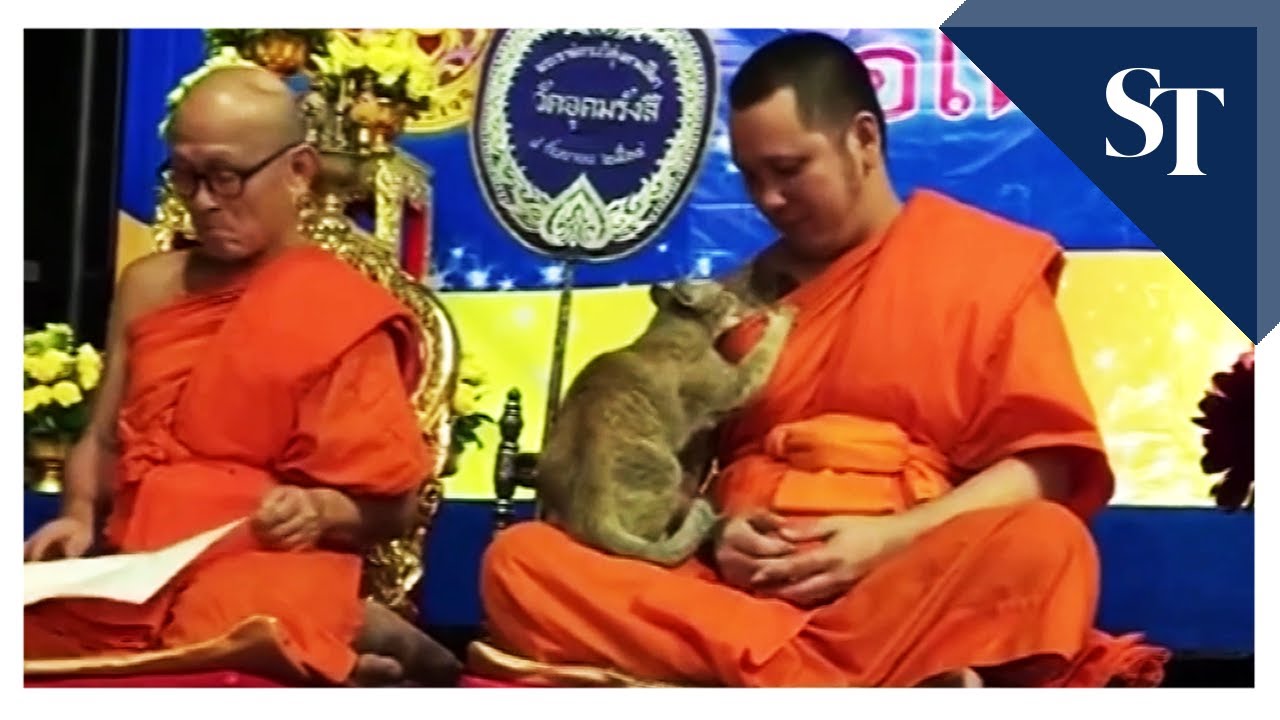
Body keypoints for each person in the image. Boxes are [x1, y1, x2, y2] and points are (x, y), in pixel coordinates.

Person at [479, 32, 1170, 687]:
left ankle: (781, 676)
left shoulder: (983, 266)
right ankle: (848, 679)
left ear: (863, 139)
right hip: (741, 590)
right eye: (751, 178)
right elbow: (664, 491)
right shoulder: (726, 303)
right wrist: (721, 539)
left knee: (1047, 544)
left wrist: (887, 541)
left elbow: (1044, 467)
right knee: (521, 563)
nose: (769, 200)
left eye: (788, 170)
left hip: (904, 582)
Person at [23, 66, 457, 687]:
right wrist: (79, 515)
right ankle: (341, 642)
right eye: (186, 175)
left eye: (225, 177)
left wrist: (320, 507)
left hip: (260, 563)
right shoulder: (148, 286)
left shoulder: (339, 307)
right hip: (131, 567)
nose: (202, 199)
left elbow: (394, 508)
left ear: (299, 172)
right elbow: (103, 437)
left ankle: (339, 633)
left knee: (235, 620)